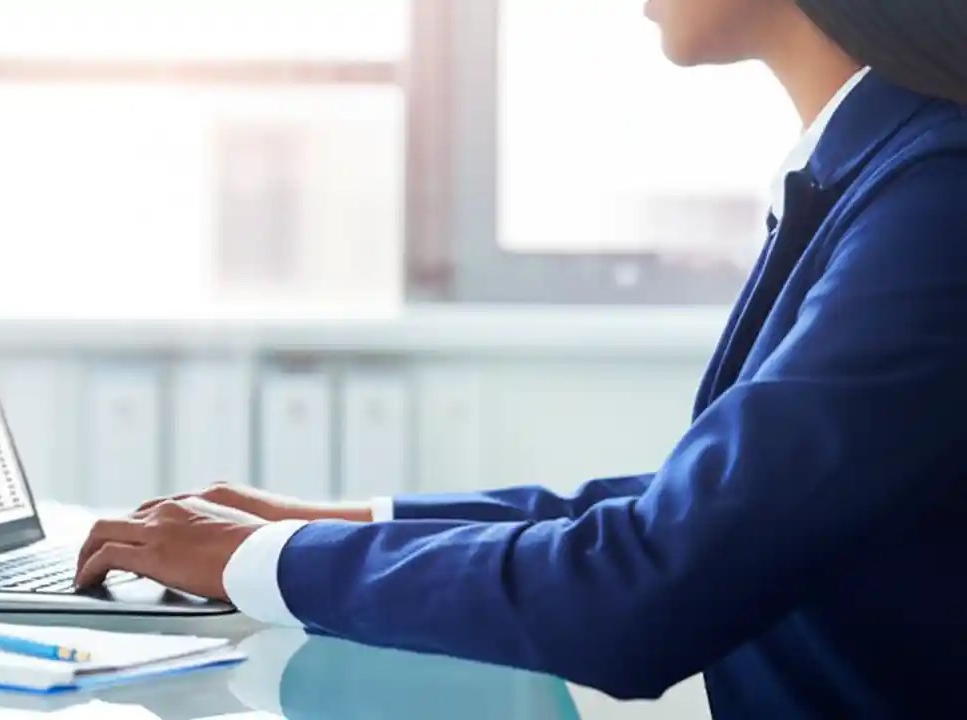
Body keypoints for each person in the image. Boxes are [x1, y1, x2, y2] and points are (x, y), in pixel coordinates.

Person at [75, 1, 967, 716]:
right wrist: (324, 523)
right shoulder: (884, 174)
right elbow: (699, 513)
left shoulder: (933, 206)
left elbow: (650, 586)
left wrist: (266, 559)